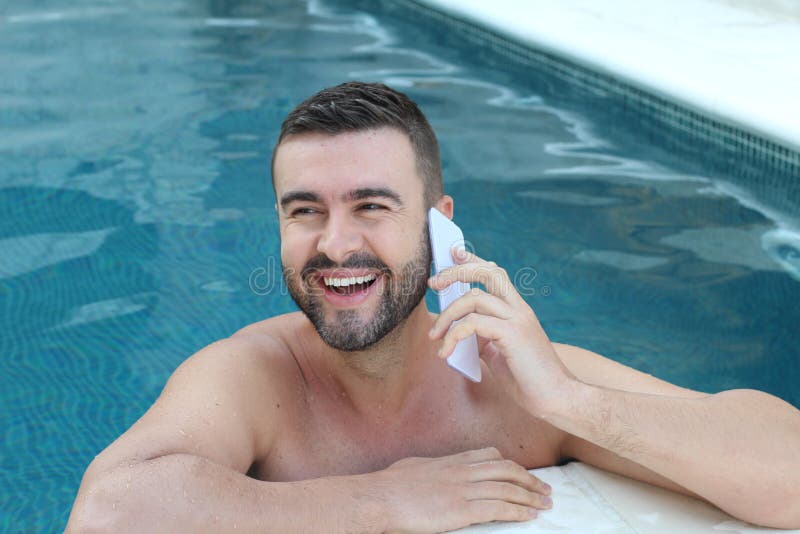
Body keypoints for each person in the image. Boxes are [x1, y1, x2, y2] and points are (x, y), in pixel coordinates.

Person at [67, 81, 800, 533]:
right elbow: (107, 513)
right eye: (304, 211)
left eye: (372, 206)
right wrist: (376, 504)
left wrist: (575, 403)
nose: (335, 243)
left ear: (439, 223)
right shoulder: (253, 377)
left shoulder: (514, 384)